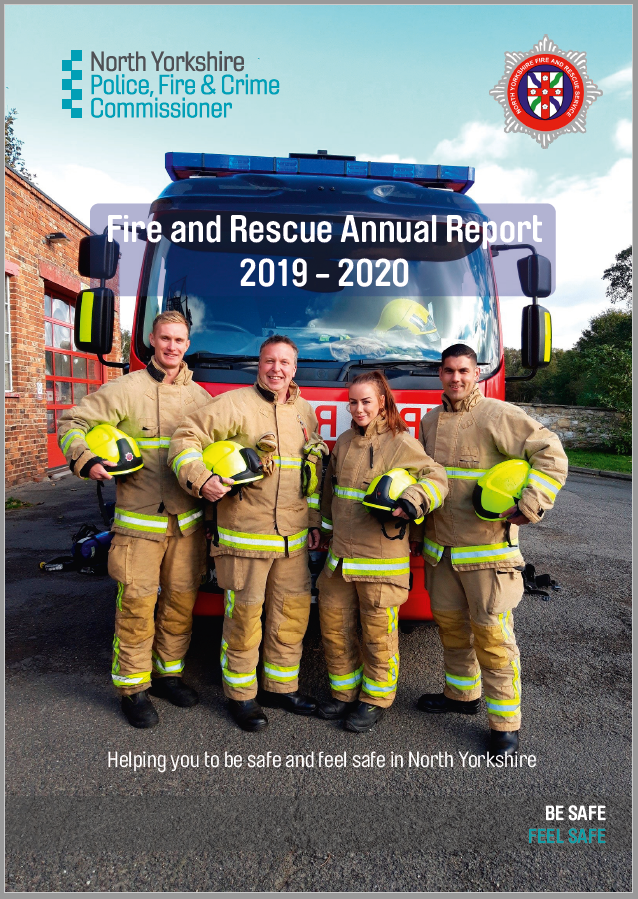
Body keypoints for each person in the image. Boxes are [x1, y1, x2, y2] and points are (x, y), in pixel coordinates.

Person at [57, 311, 213, 728]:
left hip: (187, 525)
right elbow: (72, 422)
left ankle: (168, 676)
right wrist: (85, 458)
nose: (172, 347)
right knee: (137, 608)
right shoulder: (125, 389)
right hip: (139, 525)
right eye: (165, 338)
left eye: (179, 340)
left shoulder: (201, 398)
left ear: (187, 345)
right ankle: (133, 689)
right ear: (151, 341)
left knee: (180, 605)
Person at [416, 344, 568, 757]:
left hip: (488, 555)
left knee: (493, 639)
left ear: (476, 374)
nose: (456, 378)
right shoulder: (429, 422)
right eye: (449, 371)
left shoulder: (497, 415)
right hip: (441, 554)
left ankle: (505, 725)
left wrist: (531, 504)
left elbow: (550, 452)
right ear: (440, 374)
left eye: (463, 371)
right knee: (453, 632)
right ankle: (461, 696)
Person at [168, 335, 326, 732]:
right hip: (245, 539)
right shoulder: (232, 405)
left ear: (295, 368)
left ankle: (280, 688)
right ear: (259, 364)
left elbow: (310, 475)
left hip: (292, 540)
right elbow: (184, 440)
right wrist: (201, 479)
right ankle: (241, 696)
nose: (277, 369)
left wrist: (312, 523)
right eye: (269, 361)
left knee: (291, 617)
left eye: (285, 362)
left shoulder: (305, 413)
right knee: (244, 620)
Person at [316, 371, 448, 733]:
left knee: (378, 637)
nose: (358, 409)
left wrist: (414, 499)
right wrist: (323, 530)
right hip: (340, 560)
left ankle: (375, 699)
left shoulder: (401, 442)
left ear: (383, 403)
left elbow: (436, 478)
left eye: (366, 402)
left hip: (380, 560)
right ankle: (343, 694)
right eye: (353, 402)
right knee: (335, 629)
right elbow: (331, 493)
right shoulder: (345, 441)